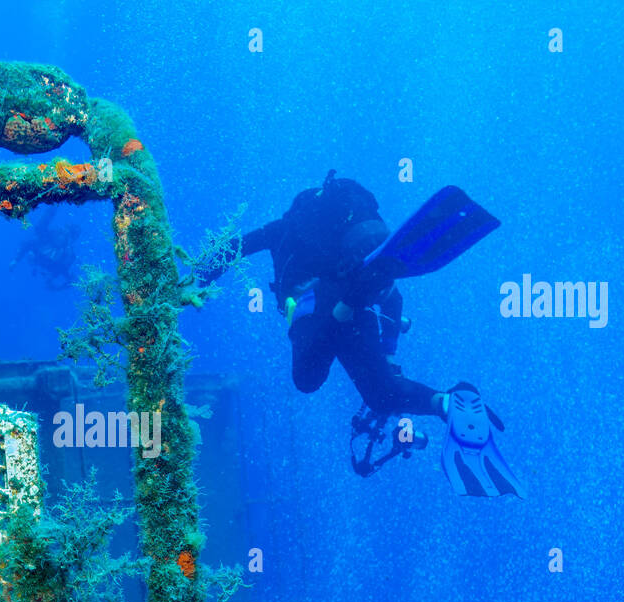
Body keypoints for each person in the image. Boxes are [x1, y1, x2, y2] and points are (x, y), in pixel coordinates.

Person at [197, 171, 523, 497]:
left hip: (317, 305)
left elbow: (234, 248)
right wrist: (390, 352)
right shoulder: (347, 256)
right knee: (382, 394)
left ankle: (349, 305)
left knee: (307, 379)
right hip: (357, 303)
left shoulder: (281, 229)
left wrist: (196, 278)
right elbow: (393, 296)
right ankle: (447, 402)